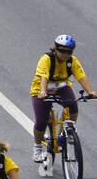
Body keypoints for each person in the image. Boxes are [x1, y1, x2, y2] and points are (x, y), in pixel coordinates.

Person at [30, 34, 95, 163]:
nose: (65, 54)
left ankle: (68, 131)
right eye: (62, 50)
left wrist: (90, 92)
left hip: (61, 86)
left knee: (73, 106)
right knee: (41, 121)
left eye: (69, 52)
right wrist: (43, 92)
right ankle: (37, 148)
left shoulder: (72, 61)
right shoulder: (47, 59)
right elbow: (44, 77)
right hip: (41, 89)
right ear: (55, 48)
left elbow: (81, 76)